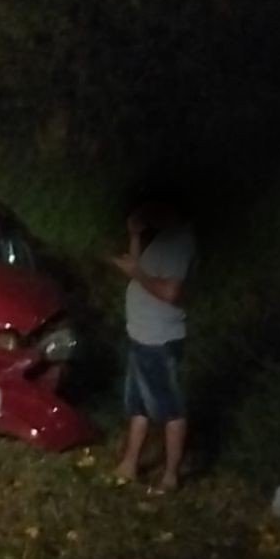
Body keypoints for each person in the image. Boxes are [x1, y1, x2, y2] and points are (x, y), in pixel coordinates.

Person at [109, 200, 195, 492]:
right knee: (138, 406)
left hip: (160, 340)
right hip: (140, 336)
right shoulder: (163, 239)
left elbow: (170, 292)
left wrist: (136, 273)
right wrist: (135, 236)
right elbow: (139, 270)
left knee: (171, 409)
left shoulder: (181, 242)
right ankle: (129, 465)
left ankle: (171, 476)